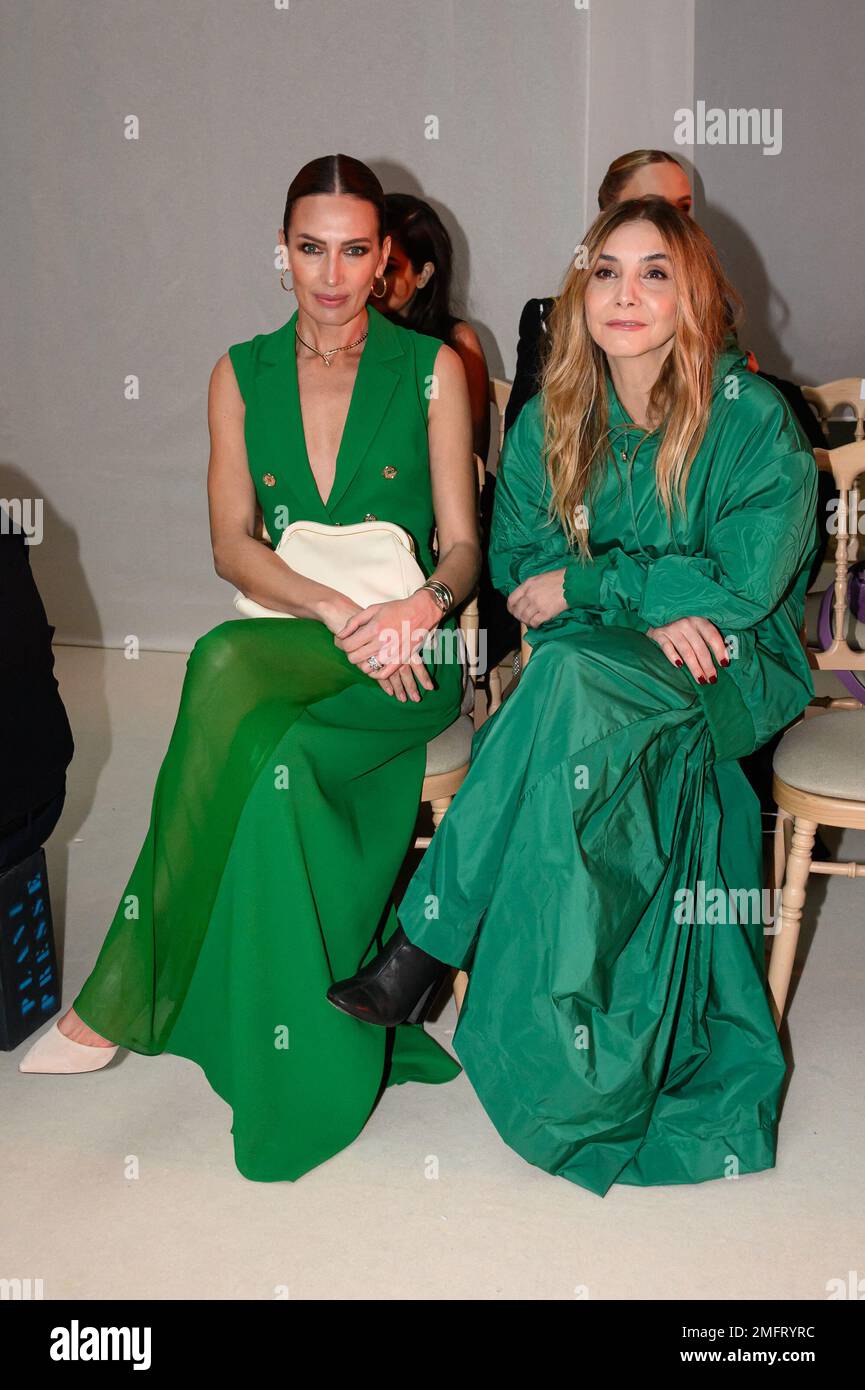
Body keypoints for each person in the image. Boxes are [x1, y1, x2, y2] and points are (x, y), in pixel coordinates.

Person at [328, 196, 821, 1198]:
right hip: (594, 660)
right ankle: (471, 971)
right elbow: (516, 569)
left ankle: (427, 941)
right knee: (567, 671)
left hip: (726, 667)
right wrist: (635, 600)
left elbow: (739, 586)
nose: (625, 293)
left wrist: (605, 584)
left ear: (693, 297)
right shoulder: (558, 416)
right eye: (605, 271)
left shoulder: (749, 418)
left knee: (569, 668)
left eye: (653, 272)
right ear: (579, 290)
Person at [19, 154, 481, 1184]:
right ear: (282, 255)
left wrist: (414, 611)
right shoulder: (239, 371)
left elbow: (461, 546)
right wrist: (333, 606)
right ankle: (235, 1028)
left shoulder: (432, 367)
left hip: (411, 654)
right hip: (306, 632)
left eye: (354, 249)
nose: (331, 271)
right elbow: (231, 545)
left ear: (384, 258)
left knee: (249, 705)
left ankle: (123, 996)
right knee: (236, 673)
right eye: (310, 247)